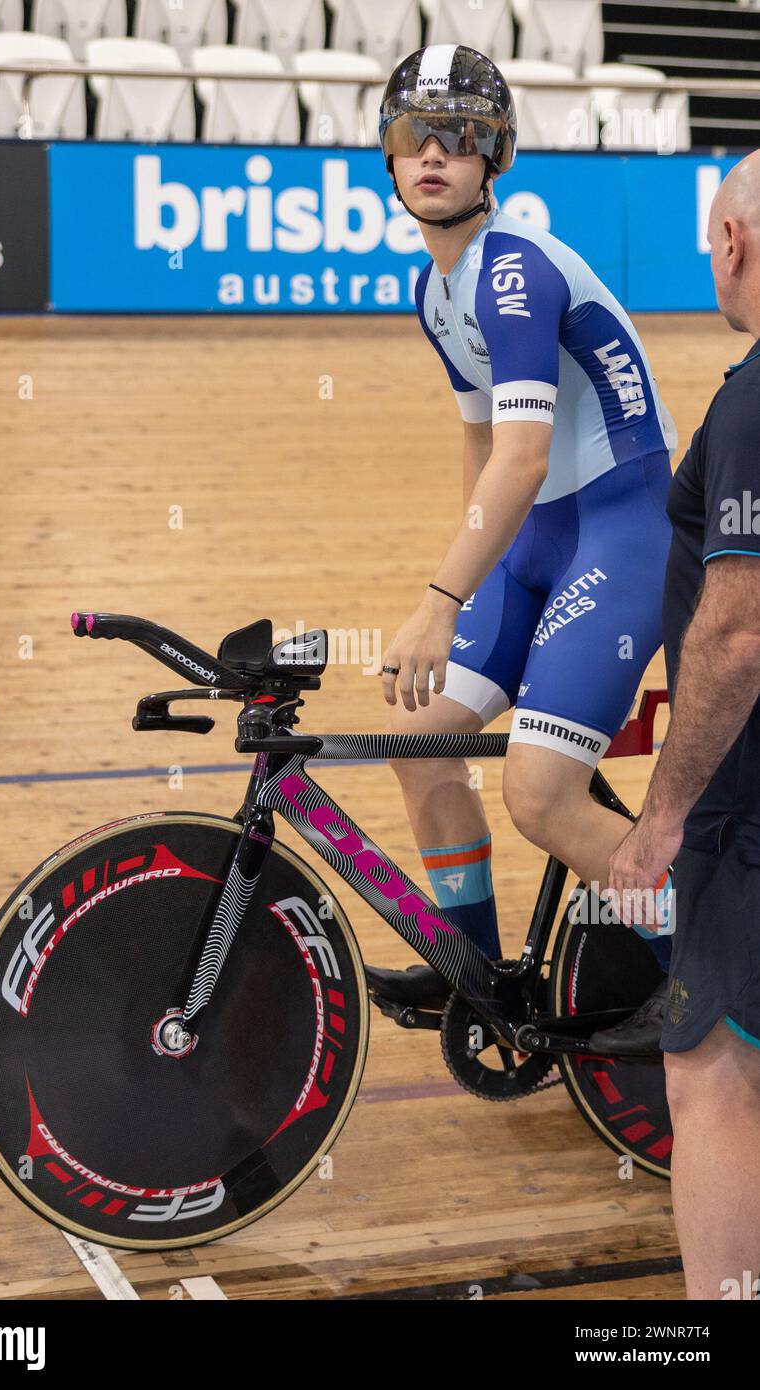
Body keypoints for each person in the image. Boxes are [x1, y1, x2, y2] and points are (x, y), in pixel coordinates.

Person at [365, 44, 676, 1014]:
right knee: (415, 736)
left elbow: (523, 457)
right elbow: (480, 454)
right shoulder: (434, 291)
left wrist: (438, 599)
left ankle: (706, 977)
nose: (434, 155)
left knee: (538, 796)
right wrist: (474, 572)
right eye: (416, 135)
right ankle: (477, 974)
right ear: (387, 152)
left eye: (460, 139)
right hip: (542, 537)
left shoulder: (510, 271)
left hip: (620, 526)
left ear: (492, 157)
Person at [606, 150, 760, 1298]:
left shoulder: (751, 399)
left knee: (708, 1068)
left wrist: (659, 818)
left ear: (734, 243)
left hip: (742, 813)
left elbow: (734, 634)